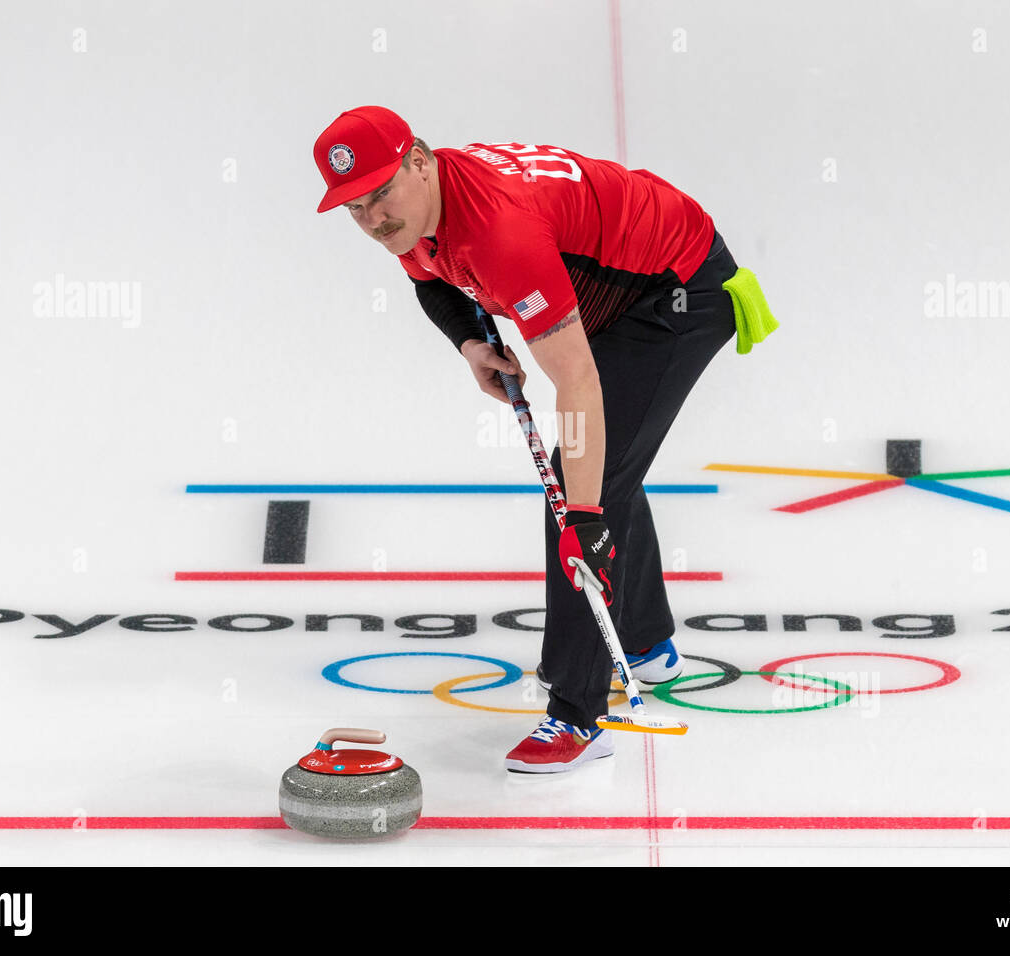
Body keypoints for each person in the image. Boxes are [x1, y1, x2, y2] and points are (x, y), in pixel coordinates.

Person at [313, 105, 776, 774]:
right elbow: (430, 279)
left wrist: (583, 521)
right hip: (613, 293)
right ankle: (645, 642)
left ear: (420, 160)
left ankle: (579, 715)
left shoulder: (501, 233)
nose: (374, 218)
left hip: (676, 292)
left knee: (581, 491)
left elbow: (578, 384)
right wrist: (471, 340)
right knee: (604, 470)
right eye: (354, 207)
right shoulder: (416, 214)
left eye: (380, 193)